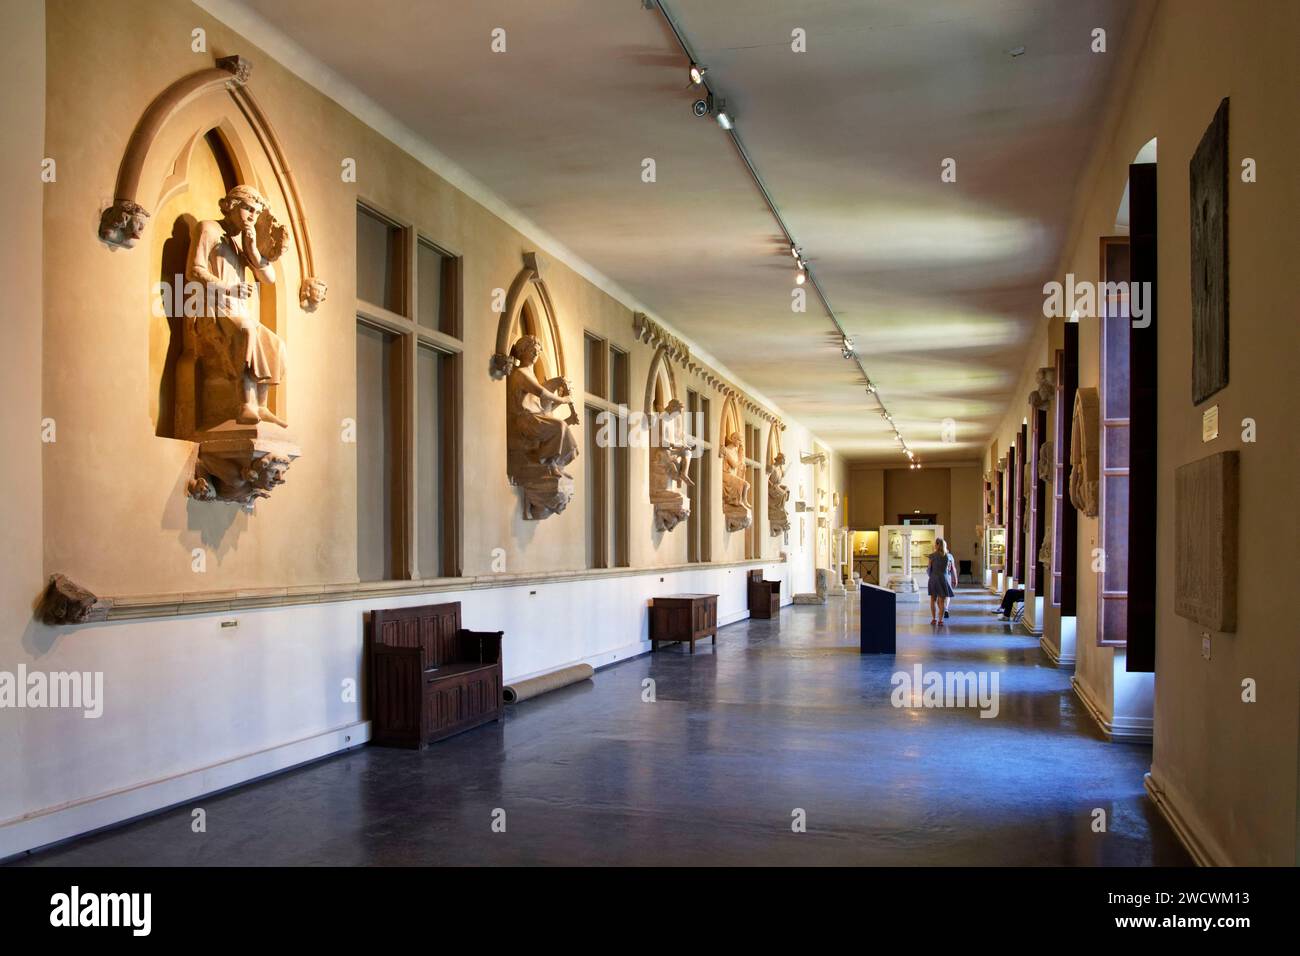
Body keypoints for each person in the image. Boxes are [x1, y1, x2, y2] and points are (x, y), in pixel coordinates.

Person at [926, 537, 955, 625]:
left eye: (935, 543)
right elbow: (949, 568)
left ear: (937, 544)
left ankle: (934, 619)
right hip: (943, 578)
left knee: (933, 599)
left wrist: (931, 575)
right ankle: (940, 620)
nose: (934, 545)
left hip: (934, 578)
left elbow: (928, 569)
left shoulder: (932, 556)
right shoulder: (948, 556)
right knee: (942, 601)